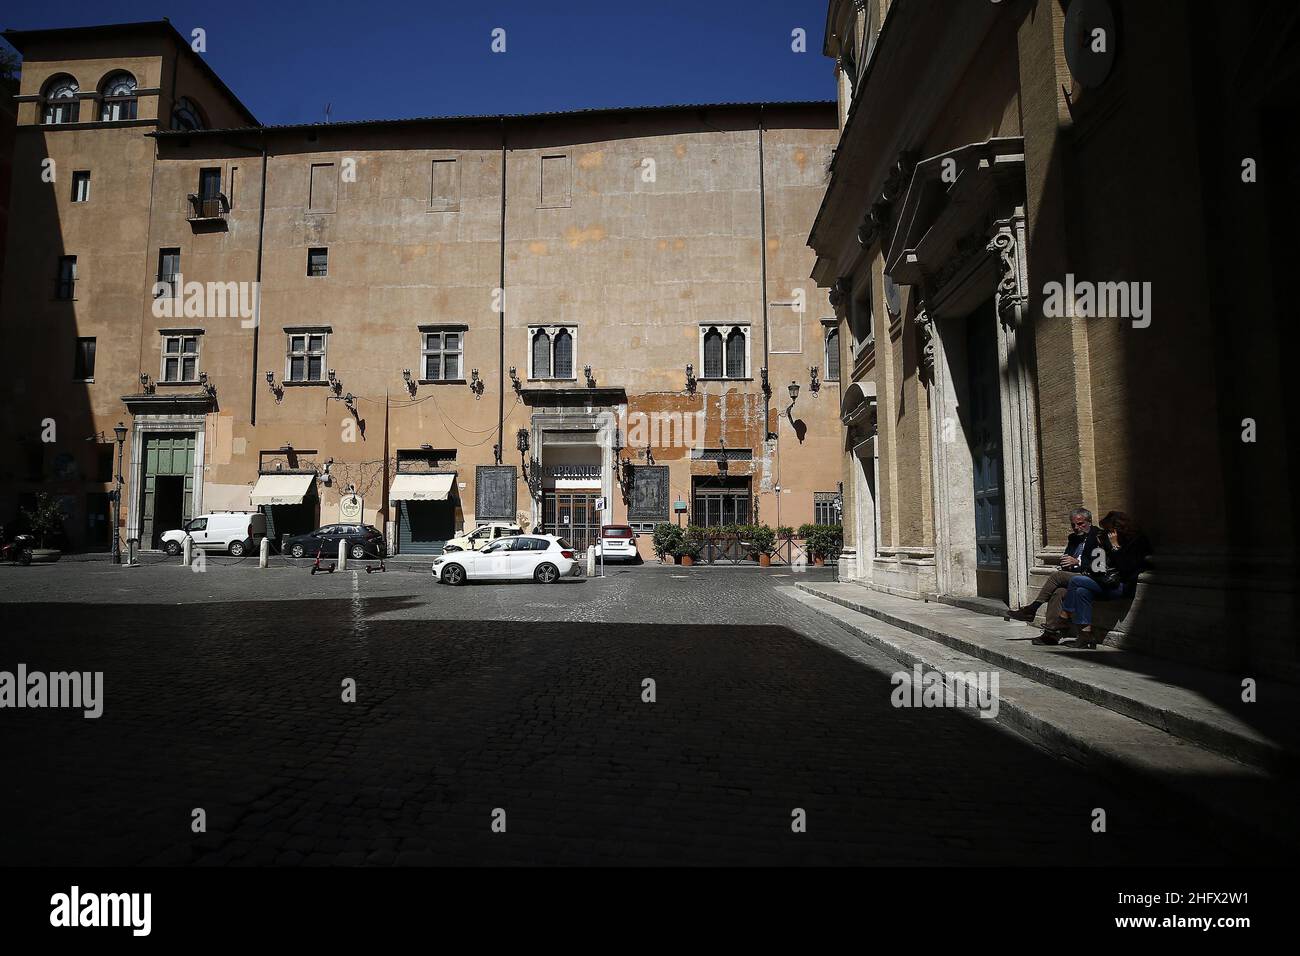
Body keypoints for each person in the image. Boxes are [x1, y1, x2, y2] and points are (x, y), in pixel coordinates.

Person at [1008, 508, 1104, 645]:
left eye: (1080, 524)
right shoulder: (1073, 538)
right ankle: (1051, 635)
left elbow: (1099, 563)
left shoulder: (1097, 536)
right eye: (1073, 525)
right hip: (1074, 574)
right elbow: (1067, 557)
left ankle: (1032, 608)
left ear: (1089, 521)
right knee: (1058, 592)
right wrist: (1067, 563)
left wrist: (1078, 562)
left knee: (1056, 577)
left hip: (1090, 576)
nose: (1076, 528)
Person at [1063, 511, 1152, 648]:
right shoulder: (1109, 541)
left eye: (1108, 530)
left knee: (1075, 581)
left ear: (1117, 529)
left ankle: (1064, 616)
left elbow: (1126, 568)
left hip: (1121, 586)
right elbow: (1100, 565)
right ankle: (1085, 636)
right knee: (1081, 591)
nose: (1106, 533)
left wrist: (1115, 546)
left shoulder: (1136, 541)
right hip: (1107, 583)